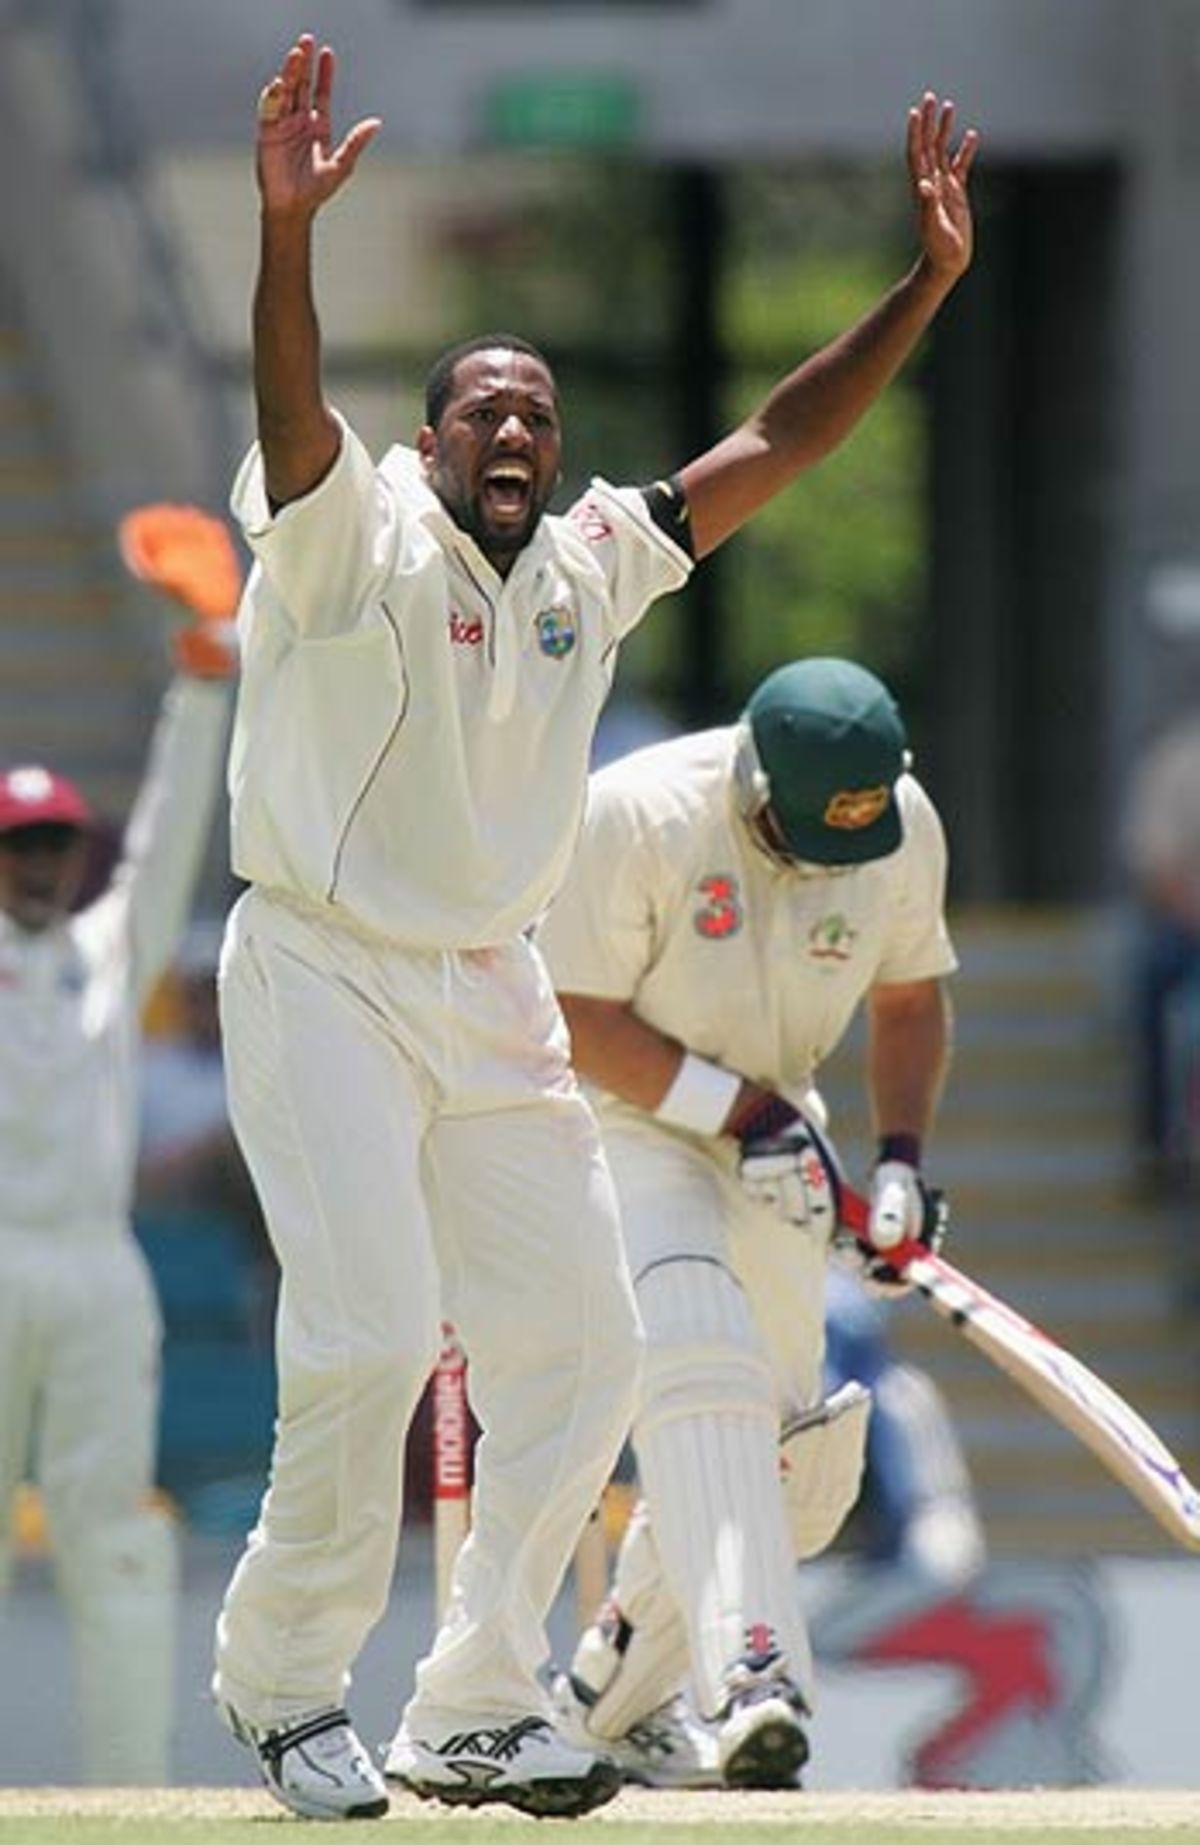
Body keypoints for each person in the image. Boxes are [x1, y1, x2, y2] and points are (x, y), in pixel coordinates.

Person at [211, 29, 977, 1823]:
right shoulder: (349, 533)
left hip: (490, 990)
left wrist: (923, 282)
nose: (515, 430)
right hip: (320, 962)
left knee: (588, 1343)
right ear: (431, 436)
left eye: (540, 414)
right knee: (377, 1338)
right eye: (484, 405)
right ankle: (284, 1685)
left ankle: (476, 1698)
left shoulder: (588, 566)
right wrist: (288, 235)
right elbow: (287, 414)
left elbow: (781, 437)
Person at [536, 656, 959, 1789]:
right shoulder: (638, 813)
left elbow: (911, 995)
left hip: (782, 1124)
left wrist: (901, 1169)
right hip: (624, 1123)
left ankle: (606, 1700)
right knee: (697, 1363)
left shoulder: (900, 825)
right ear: (754, 776)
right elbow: (573, 1019)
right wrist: (738, 1113)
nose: (826, 862)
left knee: (793, 1473)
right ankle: (754, 1681)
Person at [0, 507, 237, 1784]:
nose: (39, 863)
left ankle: (132, 1792)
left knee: (116, 1537)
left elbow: (167, 844)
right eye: (18, 845)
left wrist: (206, 672)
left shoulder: (106, 957)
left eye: (54, 845)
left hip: (96, 1267)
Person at [823, 1263, 985, 1584]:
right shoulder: (770, 1397)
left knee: (943, 1548)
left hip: (887, 1564)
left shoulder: (901, 1394)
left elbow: (933, 1503)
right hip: (801, 1557)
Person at [1119, 707, 1200, 1197]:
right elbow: (1155, 858)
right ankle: (1154, 1139)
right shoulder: (1179, 761)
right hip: (1187, 929)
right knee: (1151, 981)